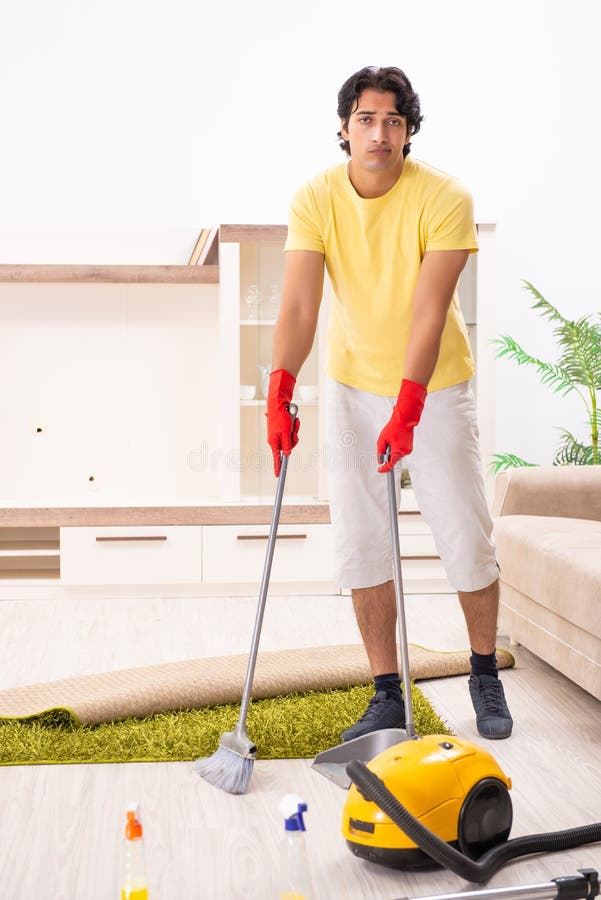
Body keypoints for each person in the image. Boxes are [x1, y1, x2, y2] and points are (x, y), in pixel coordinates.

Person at [266, 65, 513, 741]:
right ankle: (385, 693)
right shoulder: (314, 197)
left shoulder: (442, 196)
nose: (379, 134)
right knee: (360, 541)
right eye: (366, 120)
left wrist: (407, 408)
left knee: (463, 533)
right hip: (350, 386)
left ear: (408, 131)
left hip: (432, 386)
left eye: (394, 121)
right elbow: (297, 303)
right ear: (344, 128)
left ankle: (484, 671)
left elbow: (430, 312)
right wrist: (280, 387)